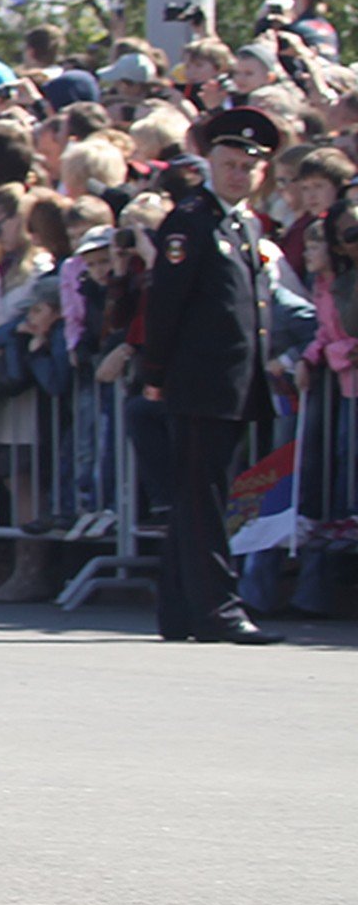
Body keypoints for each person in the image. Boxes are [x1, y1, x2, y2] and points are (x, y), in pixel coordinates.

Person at [139, 105, 283, 645]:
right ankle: (217, 609)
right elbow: (168, 303)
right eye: (230, 163)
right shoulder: (193, 220)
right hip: (200, 381)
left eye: (249, 166)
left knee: (201, 496)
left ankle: (179, 610)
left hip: (234, 383)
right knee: (204, 500)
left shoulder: (243, 223)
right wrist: (156, 369)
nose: (239, 173)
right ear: (211, 162)